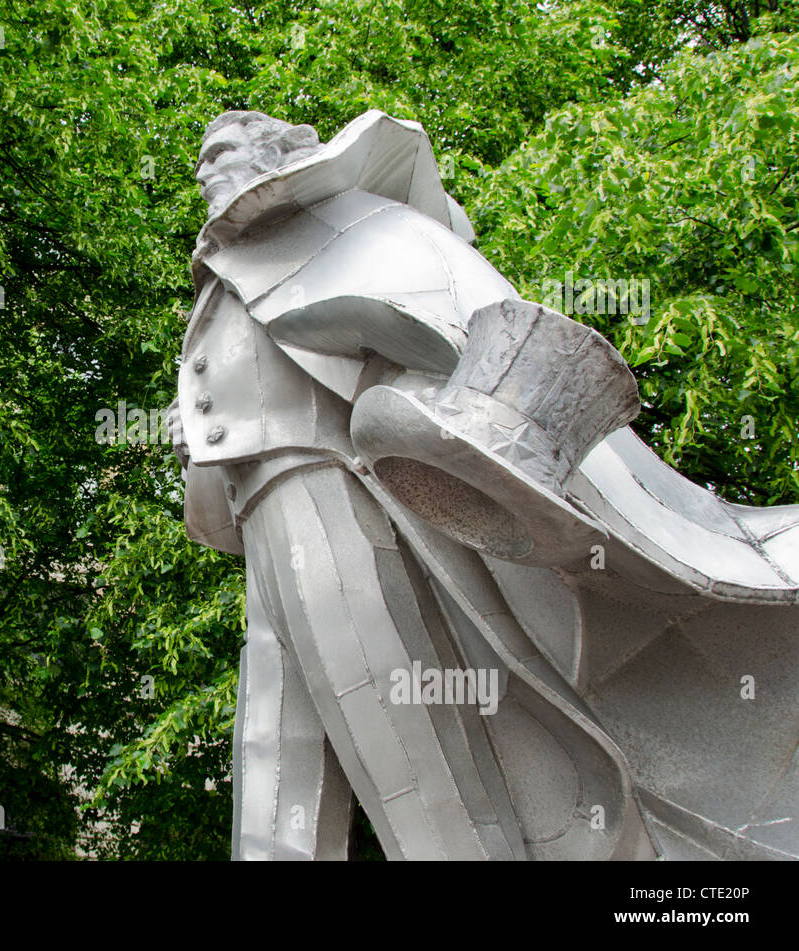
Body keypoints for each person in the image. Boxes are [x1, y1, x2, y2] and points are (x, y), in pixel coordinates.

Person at [171, 109, 799, 860]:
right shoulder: (223, 281)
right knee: (276, 761)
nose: (206, 171)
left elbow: (464, 329)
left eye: (222, 153)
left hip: (332, 496)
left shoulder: (357, 228)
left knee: (399, 740)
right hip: (261, 513)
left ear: (277, 155)